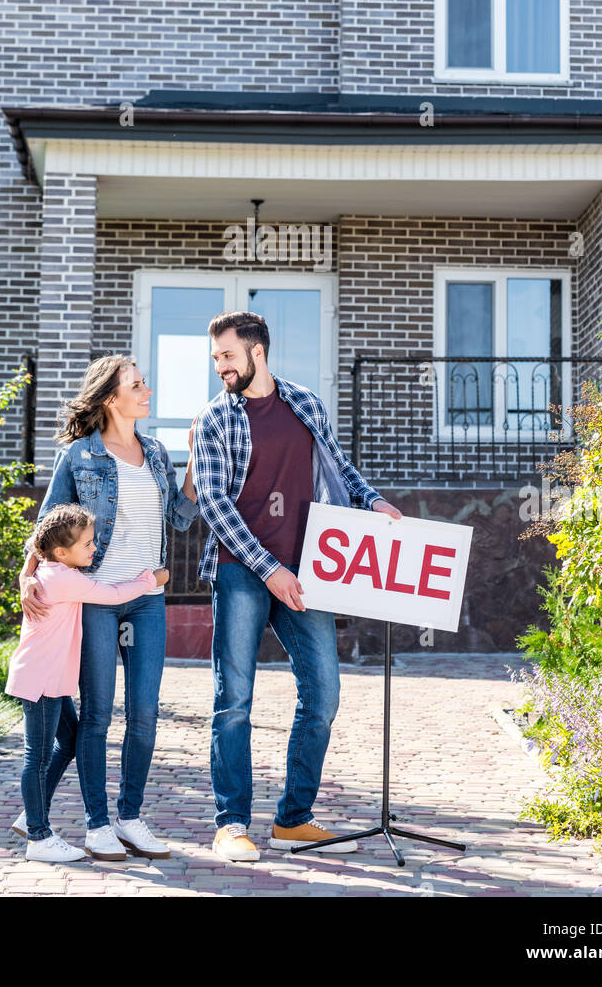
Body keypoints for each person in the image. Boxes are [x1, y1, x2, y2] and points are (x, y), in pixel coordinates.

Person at [191, 311, 402, 862]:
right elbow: (213, 503)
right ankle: (231, 823)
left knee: (323, 695)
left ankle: (293, 818)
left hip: (309, 566)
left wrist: (372, 501)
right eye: (216, 358)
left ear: (258, 352)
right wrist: (268, 567)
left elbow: (339, 466)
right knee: (234, 699)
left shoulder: (304, 403)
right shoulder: (215, 417)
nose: (220, 368)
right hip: (243, 569)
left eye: (227, 356)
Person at [19, 354, 198, 861]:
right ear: (110, 398)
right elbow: (49, 523)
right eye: (137, 385)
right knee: (97, 715)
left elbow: (181, 519)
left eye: (144, 383)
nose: (147, 391)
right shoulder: (80, 455)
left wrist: (193, 464)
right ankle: (97, 824)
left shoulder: (158, 452)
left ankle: (130, 818)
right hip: (96, 597)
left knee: (144, 714)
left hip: (146, 600)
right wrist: (28, 573)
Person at [6, 502, 163, 863]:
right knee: (39, 757)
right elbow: (112, 595)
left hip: (51, 680)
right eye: (88, 543)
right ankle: (39, 837)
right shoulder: (61, 577)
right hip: (42, 680)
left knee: (72, 741)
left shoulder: (53, 569)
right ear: (62, 552)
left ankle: (32, 815)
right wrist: (150, 580)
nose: (95, 548)